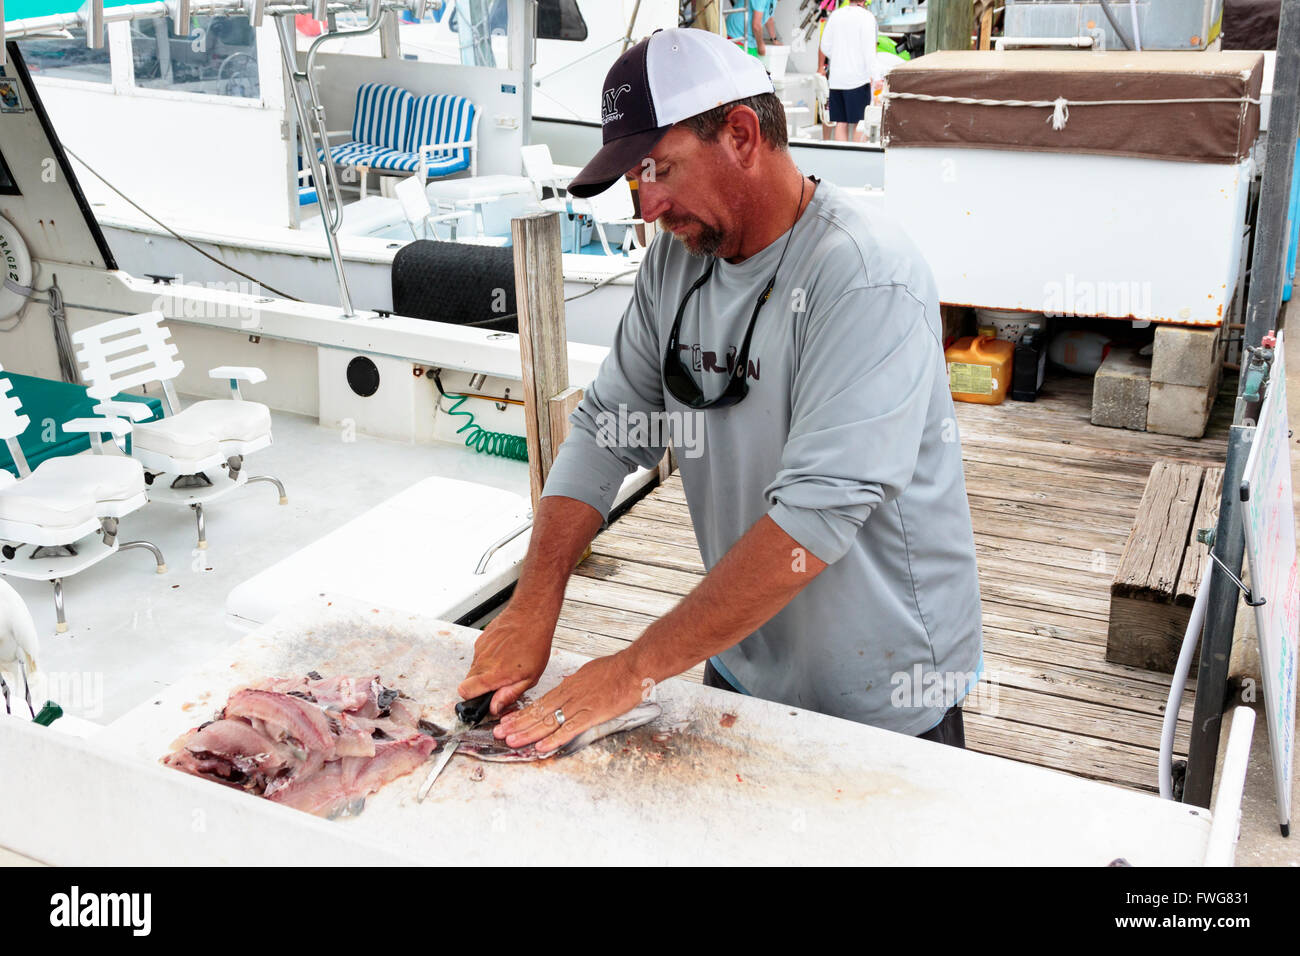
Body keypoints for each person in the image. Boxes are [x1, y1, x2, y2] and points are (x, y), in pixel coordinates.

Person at [458, 28, 983, 755]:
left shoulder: (865, 275)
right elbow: (609, 429)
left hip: (885, 698)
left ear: (740, 135)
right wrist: (533, 604)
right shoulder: (675, 264)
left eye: (659, 169)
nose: (646, 206)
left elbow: (817, 517)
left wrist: (634, 669)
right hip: (740, 669)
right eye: (636, 179)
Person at [818, 0, 877, 142]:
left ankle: (841, 159)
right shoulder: (867, 17)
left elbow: (824, 46)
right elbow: (869, 51)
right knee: (860, 122)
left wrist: (839, 57)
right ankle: (858, 157)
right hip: (858, 78)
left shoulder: (836, 15)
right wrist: (876, 76)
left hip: (837, 79)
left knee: (841, 122)